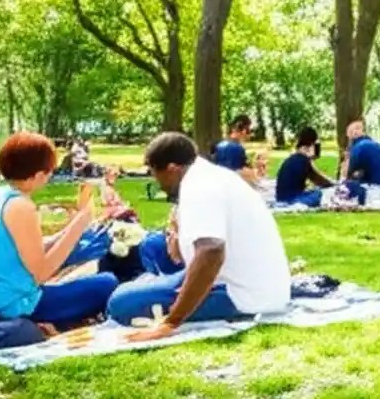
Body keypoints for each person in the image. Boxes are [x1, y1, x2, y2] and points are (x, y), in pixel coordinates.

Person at [108, 132, 292, 338]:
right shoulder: (205, 176)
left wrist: (170, 323)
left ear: (171, 169)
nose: (157, 182)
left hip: (242, 295)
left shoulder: (200, 187)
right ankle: (152, 285)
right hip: (242, 281)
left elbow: (211, 251)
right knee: (147, 257)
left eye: (155, 173)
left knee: (121, 304)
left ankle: (156, 292)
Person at [0, 132, 118, 328]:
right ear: (37, 174)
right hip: (9, 305)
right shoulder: (20, 206)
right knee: (107, 283)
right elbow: (41, 272)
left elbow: (26, 249)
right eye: (48, 171)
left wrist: (70, 229)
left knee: (87, 250)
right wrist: (79, 224)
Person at [274, 127, 335, 207]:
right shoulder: (303, 160)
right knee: (320, 194)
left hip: (281, 198)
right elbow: (319, 180)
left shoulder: (292, 159)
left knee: (314, 192)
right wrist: (335, 186)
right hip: (292, 200)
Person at [340, 120, 380, 195]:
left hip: (371, 195)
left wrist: (344, 168)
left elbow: (346, 176)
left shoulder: (357, 148)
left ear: (353, 134)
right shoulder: (379, 146)